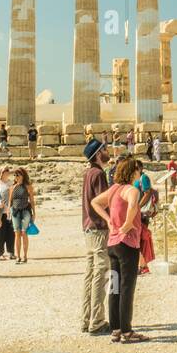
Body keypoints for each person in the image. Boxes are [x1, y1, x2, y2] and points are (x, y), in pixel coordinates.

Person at [91, 155, 146, 343]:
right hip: (127, 243)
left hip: (112, 244)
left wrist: (108, 220)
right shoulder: (132, 189)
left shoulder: (114, 189)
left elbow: (95, 202)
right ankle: (127, 331)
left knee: (114, 286)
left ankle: (115, 329)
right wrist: (128, 223)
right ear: (132, 172)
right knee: (126, 287)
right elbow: (132, 205)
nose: (140, 173)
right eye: (138, 170)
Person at [80, 138, 110, 335]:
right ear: (98, 154)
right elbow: (104, 201)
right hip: (98, 227)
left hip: (88, 228)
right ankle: (97, 321)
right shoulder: (98, 174)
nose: (108, 151)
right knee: (100, 273)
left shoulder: (88, 173)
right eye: (105, 149)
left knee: (90, 274)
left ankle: (86, 318)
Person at [9, 168, 35, 264]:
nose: (16, 177)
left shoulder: (28, 186)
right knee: (17, 233)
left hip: (25, 211)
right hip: (15, 212)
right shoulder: (12, 187)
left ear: (23, 176)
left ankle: (25, 255)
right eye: (15, 175)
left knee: (24, 233)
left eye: (18, 175)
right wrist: (9, 211)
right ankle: (18, 256)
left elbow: (32, 200)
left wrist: (34, 213)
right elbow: (10, 201)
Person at [0, 167, 14, 261]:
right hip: (1, 212)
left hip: (10, 211)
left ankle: (11, 252)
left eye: (8, 171)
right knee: (0, 233)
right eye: (5, 171)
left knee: (11, 232)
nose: (7, 172)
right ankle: (0, 254)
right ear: (1, 173)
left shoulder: (11, 183)